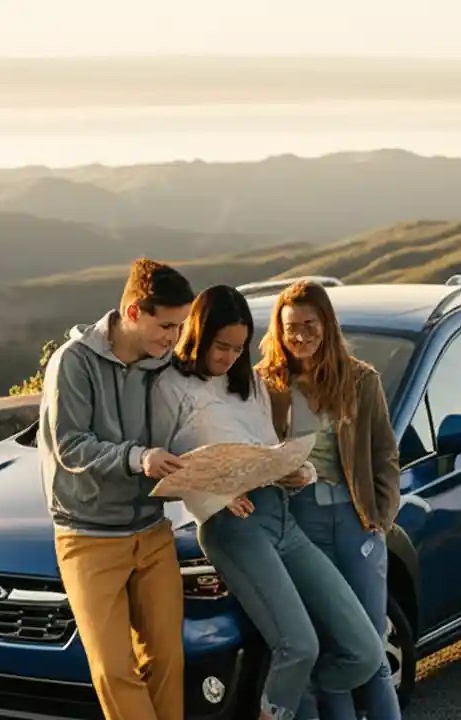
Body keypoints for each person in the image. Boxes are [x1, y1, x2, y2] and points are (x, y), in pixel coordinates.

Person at [152, 285, 384, 720]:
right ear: (199, 334)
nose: (230, 358)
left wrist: (299, 472)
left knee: (363, 650)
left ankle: (300, 698)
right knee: (299, 645)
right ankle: (278, 710)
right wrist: (213, 496)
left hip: (281, 513)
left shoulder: (250, 383)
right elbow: (166, 462)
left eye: (240, 348)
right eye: (222, 347)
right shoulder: (171, 385)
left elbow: (267, 447)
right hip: (232, 525)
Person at [37, 258, 195, 720]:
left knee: (167, 660)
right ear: (132, 313)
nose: (173, 338)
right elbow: (70, 445)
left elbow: (186, 428)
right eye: (165, 325)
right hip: (87, 537)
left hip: (151, 532)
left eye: (180, 326)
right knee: (112, 670)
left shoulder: (166, 366)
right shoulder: (74, 362)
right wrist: (137, 458)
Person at [256, 280, 403, 720]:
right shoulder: (266, 384)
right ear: (277, 331)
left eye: (309, 324)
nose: (299, 335)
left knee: (368, 650)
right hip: (297, 523)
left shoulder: (361, 380)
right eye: (290, 327)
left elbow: (385, 454)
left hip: (354, 520)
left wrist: (382, 516)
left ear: (327, 324)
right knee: (326, 646)